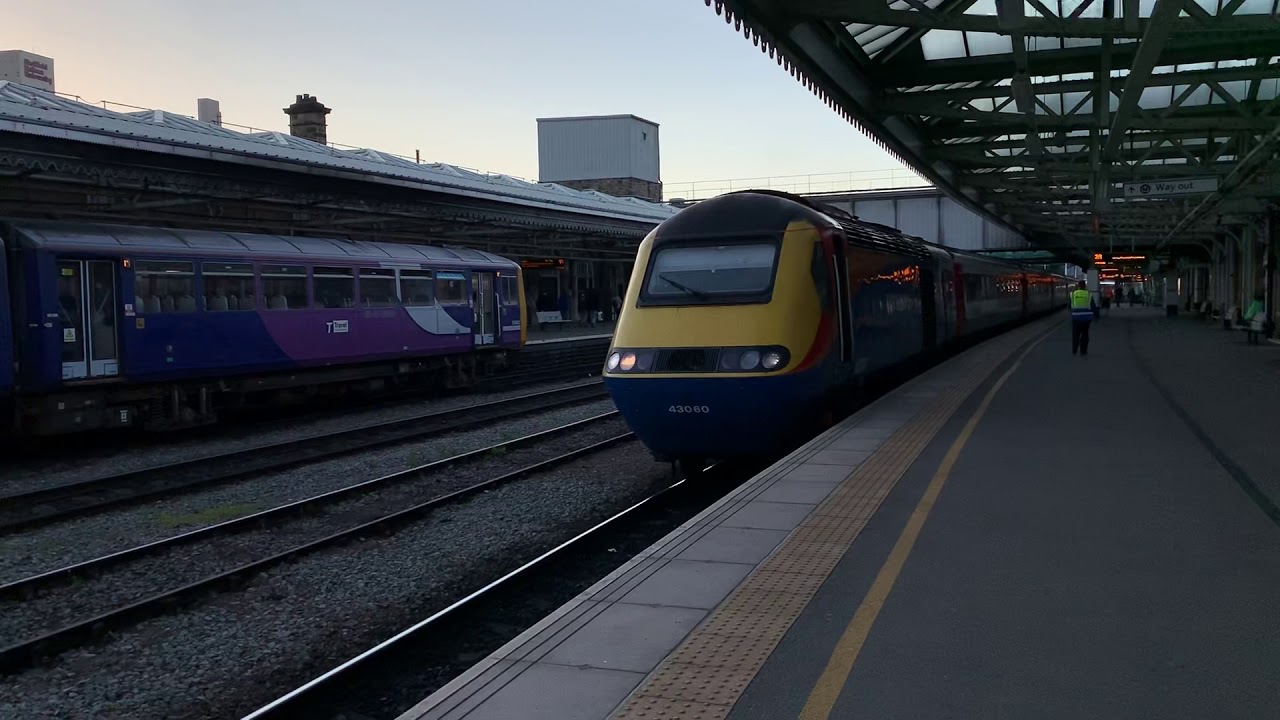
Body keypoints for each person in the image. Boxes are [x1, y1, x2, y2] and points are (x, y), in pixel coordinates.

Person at [1070, 281, 1097, 356]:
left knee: (1075, 335)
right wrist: (1095, 316)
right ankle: (1083, 350)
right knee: (1085, 334)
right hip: (1086, 318)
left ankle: (1074, 350)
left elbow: (1069, 306)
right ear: (1085, 286)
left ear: (1078, 286)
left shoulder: (1073, 294)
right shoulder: (1088, 294)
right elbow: (1093, 306)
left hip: (1075, 318)